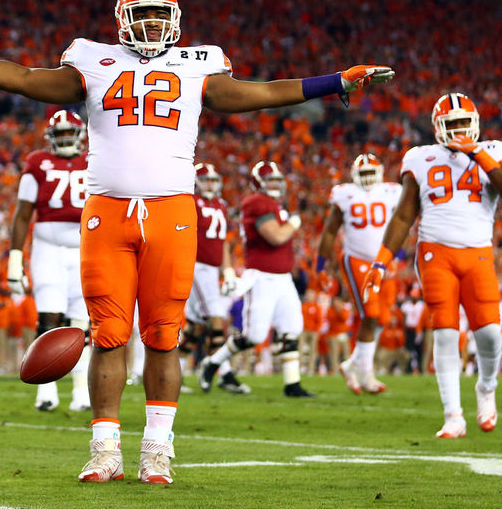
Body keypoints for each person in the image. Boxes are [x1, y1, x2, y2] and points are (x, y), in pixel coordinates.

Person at [0, 0, 393, 484]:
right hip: (107, 214)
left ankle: (158, 449)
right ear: (122, 20)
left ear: (175, 21)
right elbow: (27, 78)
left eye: (160, 16)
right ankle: (105, 448)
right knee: (109, 335)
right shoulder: (92, 59)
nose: (152, 24)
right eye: (143, 15)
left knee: (163, 337)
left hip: (173, 213)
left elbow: (263, 92)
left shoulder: (199, 65)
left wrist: (335, 82)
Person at [362, 93, 502, 438]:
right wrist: (381, 261)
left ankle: (486, 387)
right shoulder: (420, 157)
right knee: (444, 331)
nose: (458, 131)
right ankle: (453, 414)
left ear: (475, 125)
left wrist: (478, 154)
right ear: (438, 128)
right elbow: (404, 214)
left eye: (463, 124)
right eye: (451, 124)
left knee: (490, 333)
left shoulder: (493, 151)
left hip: (478, 252)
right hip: (434, 252)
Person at [199, 160, 315, 397]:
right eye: (270, 180)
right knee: (254, 336)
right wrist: (293, 223)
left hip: (283, 279)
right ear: (258, 183)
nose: (275, 184)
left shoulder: (272, 203)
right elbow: (276, 236)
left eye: (277, 180)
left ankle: (292, 383)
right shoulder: (256, 202)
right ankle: (213, 362)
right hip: (261, 278)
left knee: (292, 328)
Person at [6, 109, 91, 413]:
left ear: (80, 136)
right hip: (48, 247)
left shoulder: (94, 162)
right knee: (48, 319)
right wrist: (15, 258)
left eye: (70, 133)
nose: (66, 139)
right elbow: (23, 212)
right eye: (61, 134)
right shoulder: (38, 162)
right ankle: (45, 388)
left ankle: (82, 389)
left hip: (85, 247)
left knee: (82, 323)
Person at [316, 153, 402, 394]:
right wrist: (321, 265)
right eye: (362, 174)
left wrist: (399, 255)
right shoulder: (345, 194)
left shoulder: (391, 192)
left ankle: (353, 365)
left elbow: (401, 224)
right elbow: (330, 232)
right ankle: (366, 373)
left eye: (370, 173)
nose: (366, 179)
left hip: (383, 261)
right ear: (355, 176)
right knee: (370, 314)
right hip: (356, 260)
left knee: (382, 318)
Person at [181, 163, 248, 394]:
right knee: (216, 318)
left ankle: (176, 371)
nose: (210, 184)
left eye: (212, 179)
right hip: (196, 266)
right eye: (205, 179)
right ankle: (224, 372)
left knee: (197, 326)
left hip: (212, 269)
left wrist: (227, 271)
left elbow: (223, 244)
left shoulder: (221, 204)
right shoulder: (190, 202)